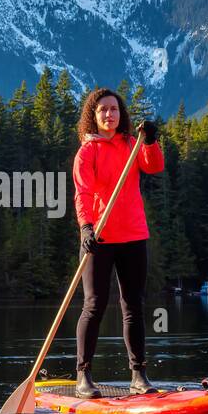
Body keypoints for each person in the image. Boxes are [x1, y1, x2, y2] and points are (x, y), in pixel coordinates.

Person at [72, 87, 164, 397]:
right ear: (93, 116)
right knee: (94, 305)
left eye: (114, 109)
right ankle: (83, 376)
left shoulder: (131, 143)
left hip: (134, 235)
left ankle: (138, 375)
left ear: (120, 113)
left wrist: (150, 141)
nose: (109, 114)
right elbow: (82, 194)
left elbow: (154, 166)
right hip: (100, 237)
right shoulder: (87, 152)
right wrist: (86, 228)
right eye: (103, 110)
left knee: (133, 306)